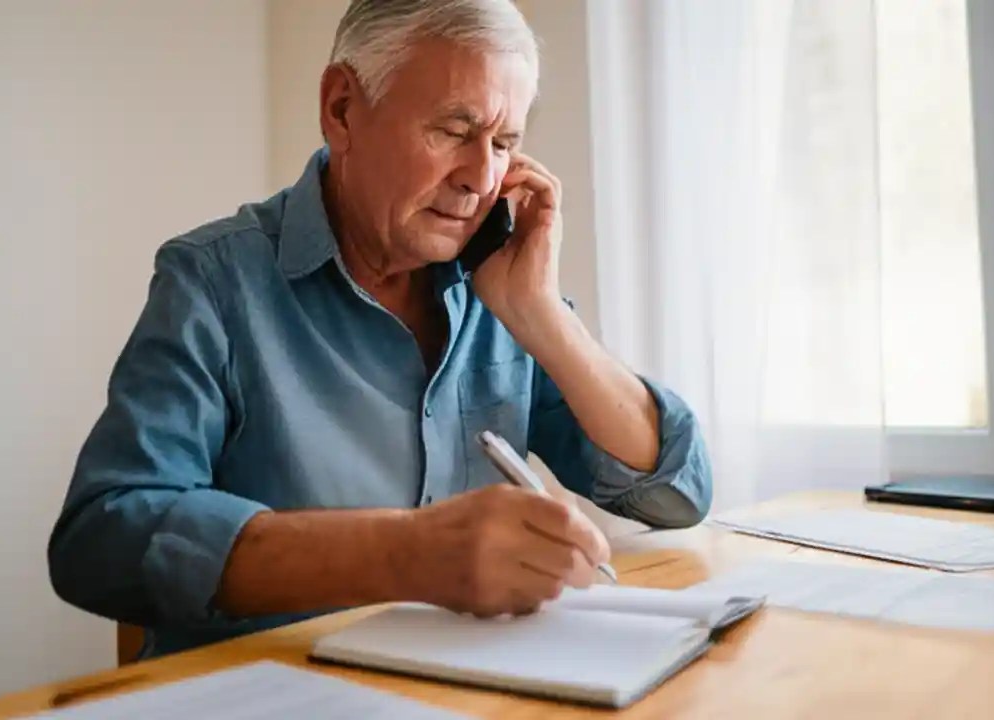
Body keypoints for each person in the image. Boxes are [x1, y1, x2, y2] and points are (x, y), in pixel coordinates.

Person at [48, 0, 711, 659]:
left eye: (505, 143)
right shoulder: (213, 282)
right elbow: (100, 542)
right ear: (341, 108)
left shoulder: (501, 287)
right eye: (454, 129)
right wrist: (405, 553)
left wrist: (541, 315)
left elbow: (678, 494)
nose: (481, 179)